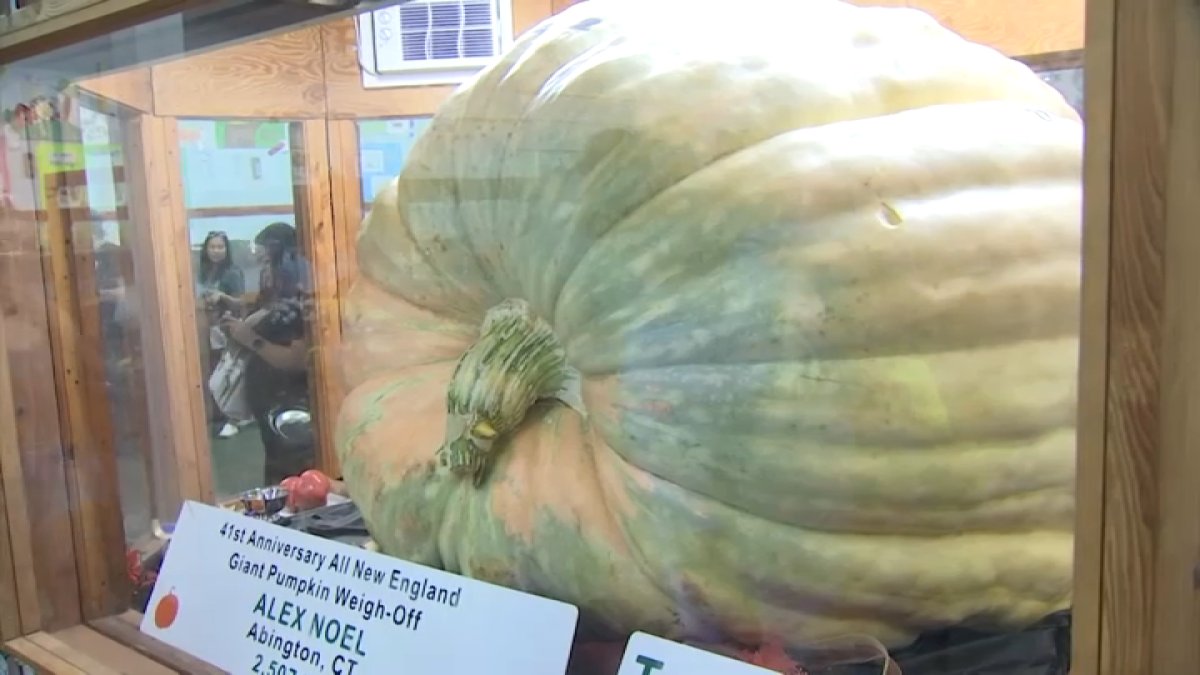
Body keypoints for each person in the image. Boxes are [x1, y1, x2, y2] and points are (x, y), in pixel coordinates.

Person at [220, 222, 314, 486]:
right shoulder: (275, 298)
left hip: (290, 408)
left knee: (293, 477)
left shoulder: (296, 305)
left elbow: (296, 360)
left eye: (265, 258)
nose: (262, 265)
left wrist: (248, 338)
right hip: (270, 407)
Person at [196, 230, 246, 439]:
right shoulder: (203, 272)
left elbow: (241, 302)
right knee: (212, 371)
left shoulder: (232, 272)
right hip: (207, 328)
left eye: (220, 247)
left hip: (226, 327)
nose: (216, 251)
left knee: (228, 374)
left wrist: (222, 296)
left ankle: (233, 418)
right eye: (212, 247)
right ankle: (218, 414)